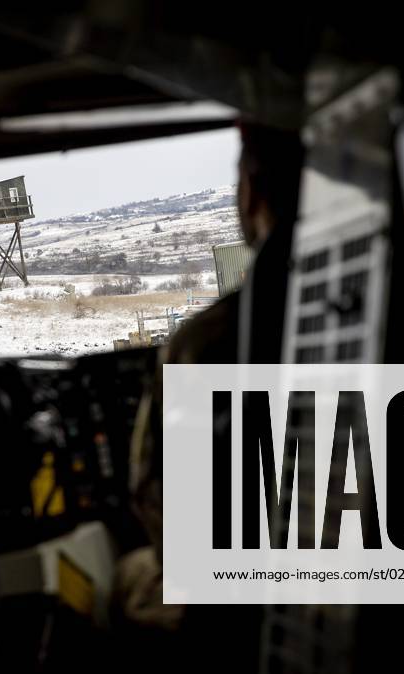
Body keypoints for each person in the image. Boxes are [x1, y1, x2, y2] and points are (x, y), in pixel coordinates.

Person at [114, 121, 305, 660]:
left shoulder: (207, 343)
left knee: (127, 575)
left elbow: (156, 499)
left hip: (247, 615)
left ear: (252, 191)